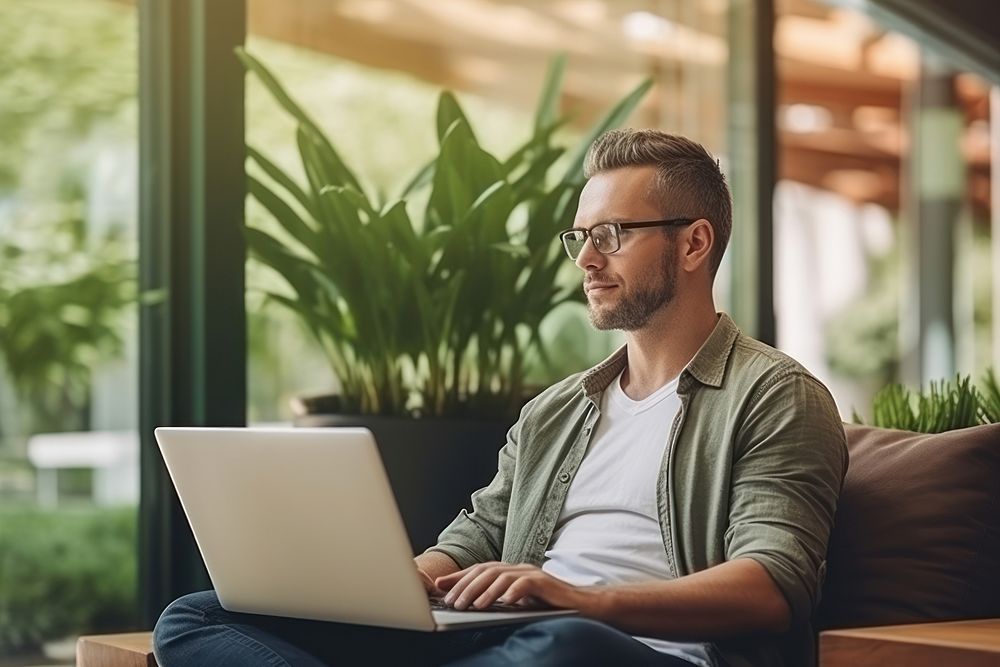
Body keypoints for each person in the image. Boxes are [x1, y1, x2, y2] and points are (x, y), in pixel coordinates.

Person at [154, 129, 848, 667]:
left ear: (695, 243)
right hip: (505, 638)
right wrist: (401, 585)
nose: (585, 260)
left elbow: (771, 586)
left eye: (611, 235)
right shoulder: (556, 411)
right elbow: (478, 531)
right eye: (580, 237)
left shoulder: (774, 396)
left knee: (560, 648)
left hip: (627, 649)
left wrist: (583, 601)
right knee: (198, 616)